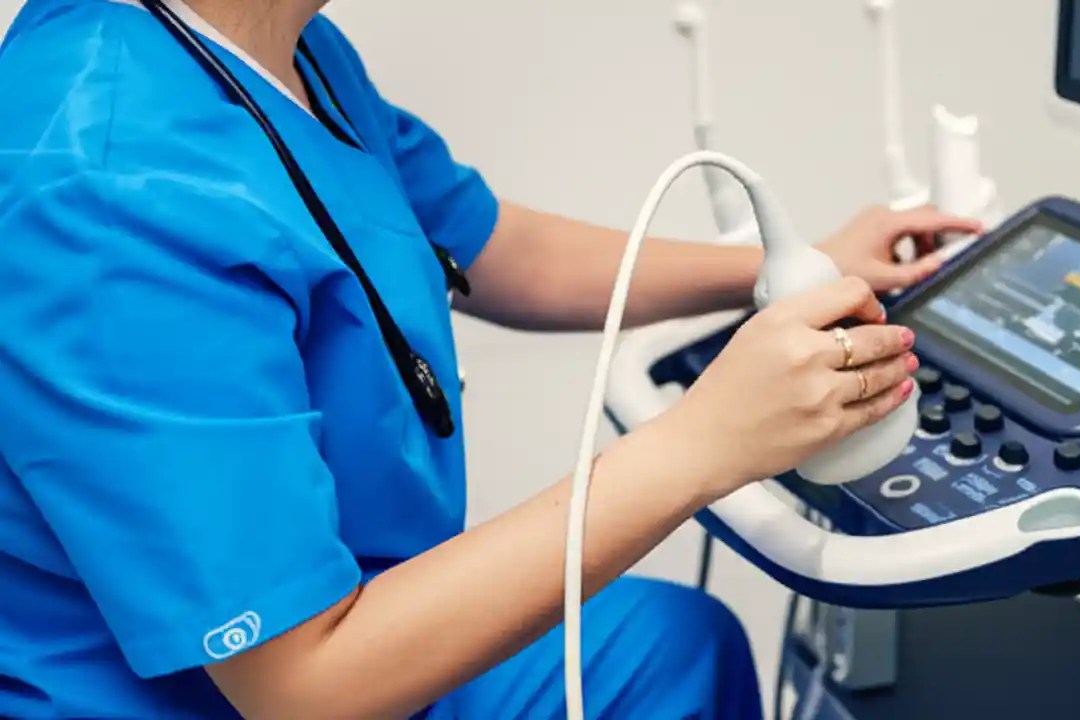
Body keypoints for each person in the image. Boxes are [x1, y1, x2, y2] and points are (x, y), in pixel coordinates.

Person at [0, 0, 981, 717]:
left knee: (672, 644)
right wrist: (704, 445)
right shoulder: (103, 186)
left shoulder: (277, 53)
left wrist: (774, 266)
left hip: (354, 626)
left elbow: (495, 247)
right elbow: (304, 687)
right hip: (246, 686)